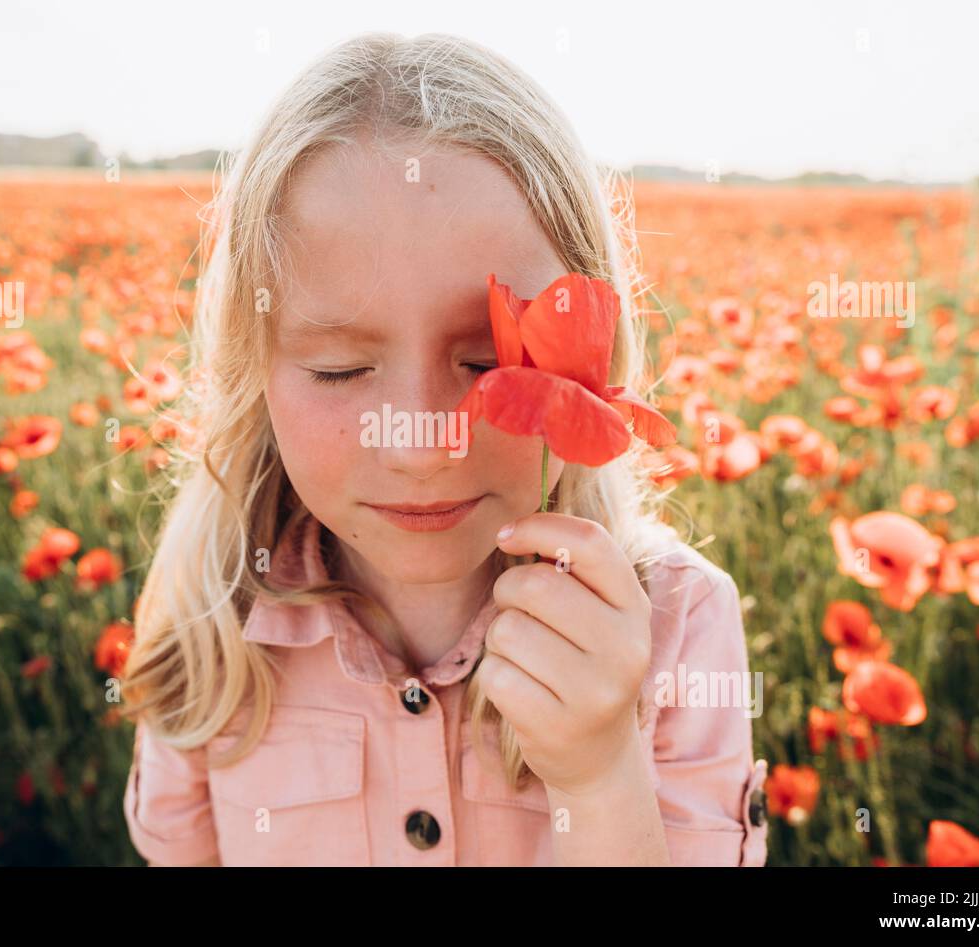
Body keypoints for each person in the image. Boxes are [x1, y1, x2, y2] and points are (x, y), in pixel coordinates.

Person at [120, 31, 767, 866]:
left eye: (489, 362)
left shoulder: (675, 625)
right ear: (254, 370)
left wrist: (601, 775)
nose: (423, 443)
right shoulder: (209, 617)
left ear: (594, 352)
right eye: (341, 368)